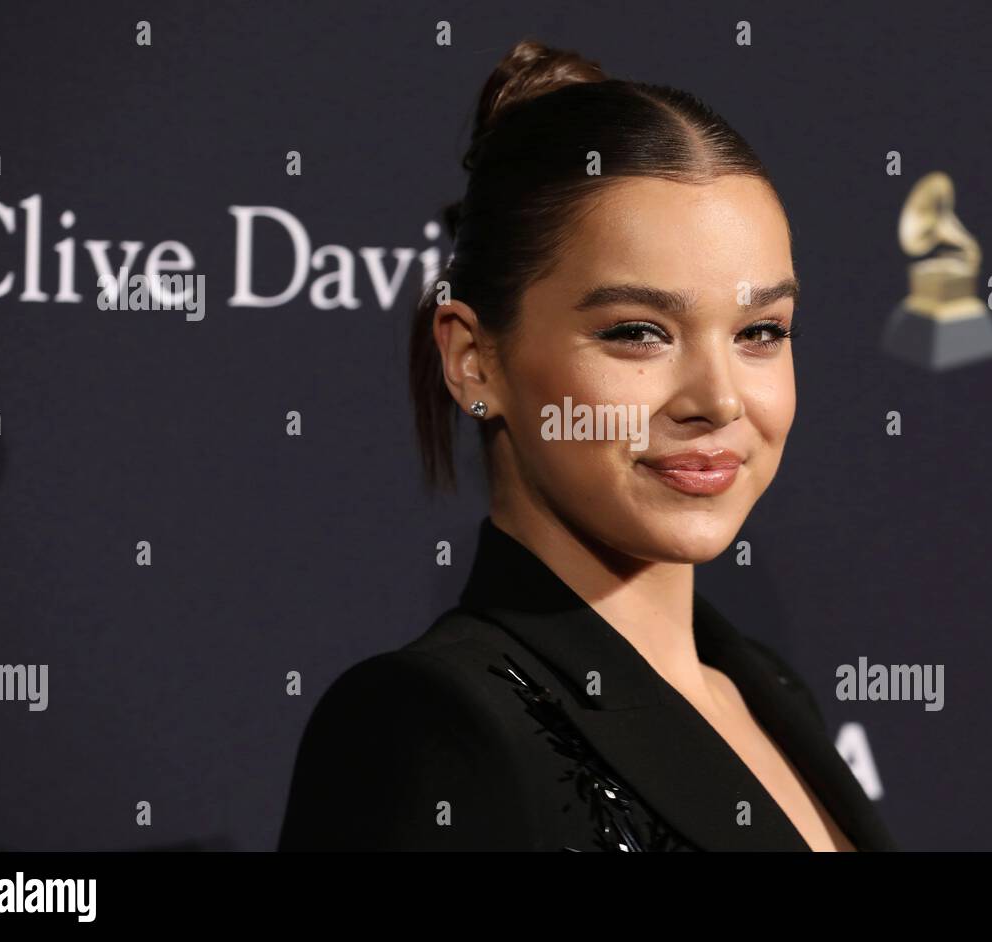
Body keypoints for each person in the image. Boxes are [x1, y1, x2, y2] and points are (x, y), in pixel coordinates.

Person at [278, 38, 898, 852]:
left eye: (759, 332)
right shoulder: (427, 726)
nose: (717, 399)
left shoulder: (772, 693)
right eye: (638, 332)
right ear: (474, 358)